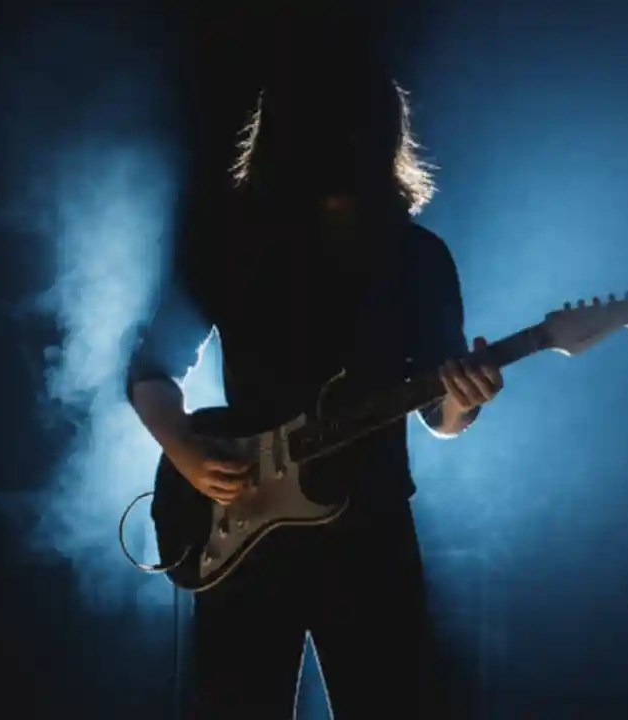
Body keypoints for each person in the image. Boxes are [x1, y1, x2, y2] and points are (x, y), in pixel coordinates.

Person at [125, 63, 502, 719]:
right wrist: (185, 451)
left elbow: (442, 416)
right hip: (243, 527)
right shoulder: (230, 246)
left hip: (372, 528)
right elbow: (151, 370)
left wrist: (463, 399)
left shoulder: (417, 258)